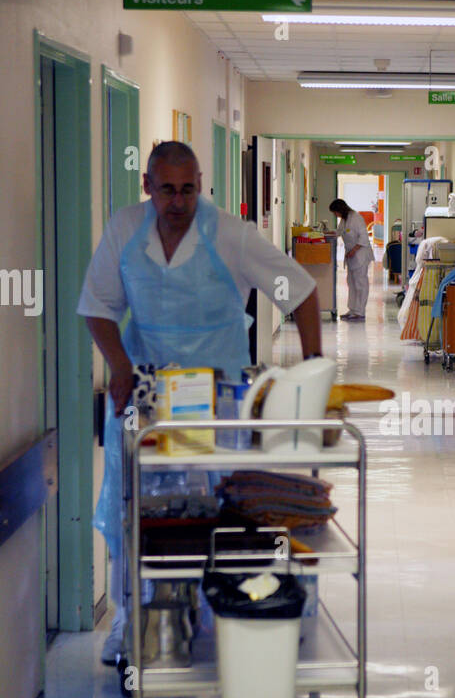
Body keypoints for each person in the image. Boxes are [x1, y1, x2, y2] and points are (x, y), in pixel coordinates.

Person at [78, 141, 322, 664]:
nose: (178, 201)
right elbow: (97, 305)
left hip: (217, 397)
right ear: (148, 187)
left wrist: (313, 370)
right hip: (146, 392)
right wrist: (119, 364)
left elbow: (298, 291)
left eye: (188, 189)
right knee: (136, 513)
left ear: (199, 186)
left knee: (218, 509)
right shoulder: (125, 231)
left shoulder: (229, 235)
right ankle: (133, 623)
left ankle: (221, 617)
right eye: (167, 189)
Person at [329, 198, 374, 320]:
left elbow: (364, 237)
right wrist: (326, 233)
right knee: (351, 283)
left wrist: (353, 251)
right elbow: (339, 232)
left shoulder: (356, 218)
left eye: (335, 212)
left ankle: (360, 312)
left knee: (360, 283)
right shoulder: (344, 219)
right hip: (351, 255)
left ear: (340, 209)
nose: (335, 215)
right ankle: (352, 309)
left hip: (360, 255)